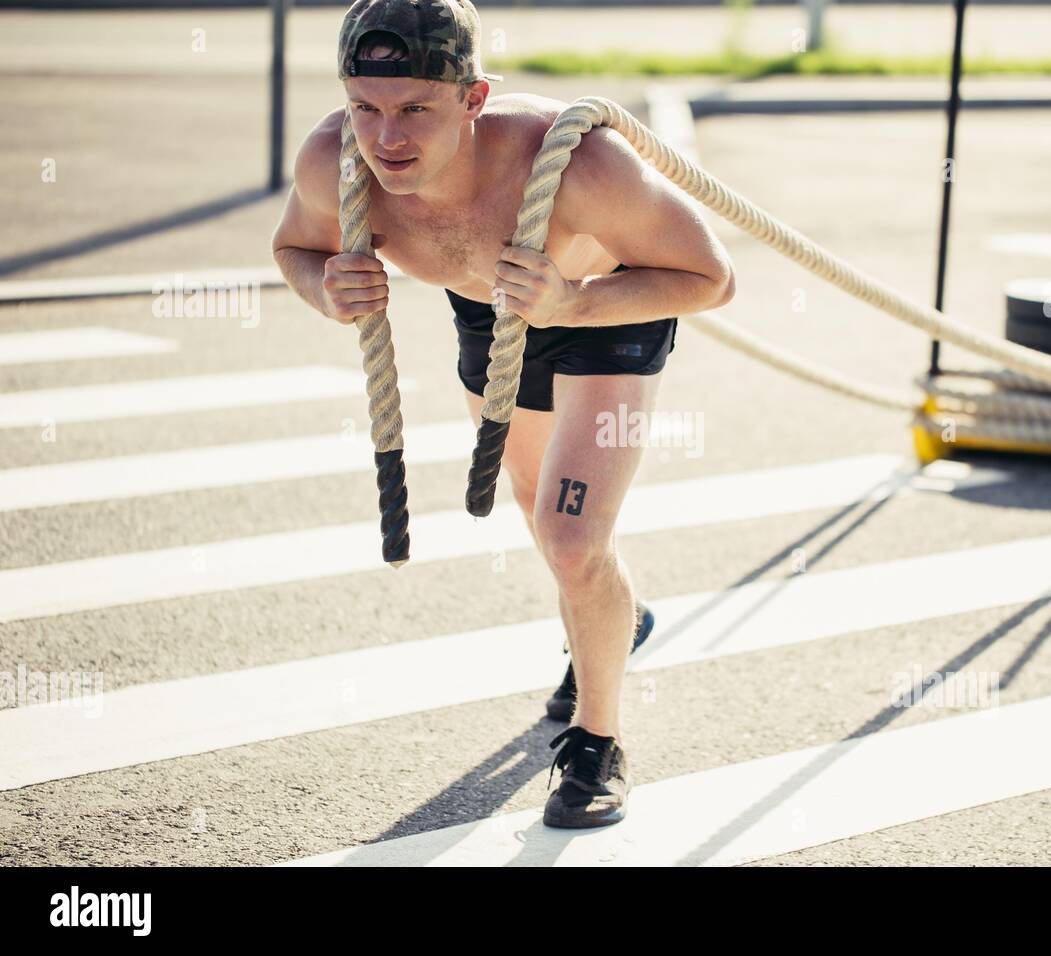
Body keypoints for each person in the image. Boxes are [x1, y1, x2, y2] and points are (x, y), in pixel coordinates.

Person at [271, 0, 735, 828]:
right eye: (365, 107)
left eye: (415, 108)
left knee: (572, 538)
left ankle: (598, 746)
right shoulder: (332, 164)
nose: (388, 139)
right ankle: (615, 622)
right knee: (536, 502)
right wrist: (324, 288)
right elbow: (295, 248)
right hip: (493, 311)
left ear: (474, 100)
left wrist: (575, 300)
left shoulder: (582, 166)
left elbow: (711, 277)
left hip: (607, 303)